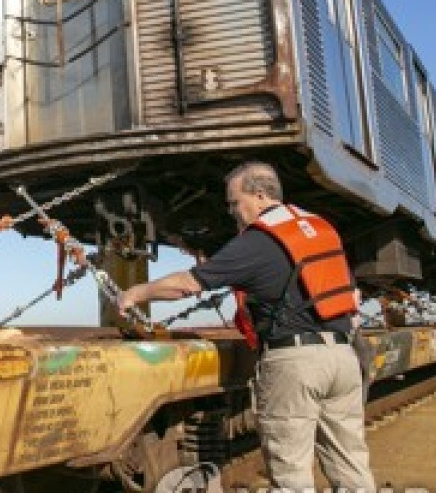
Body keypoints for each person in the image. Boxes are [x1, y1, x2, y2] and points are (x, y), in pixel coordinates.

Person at [118, 161, 376, 491]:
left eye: (234, 203)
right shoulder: (320, 229)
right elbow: (348, 294)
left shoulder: (259, 240)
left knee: (291, 473)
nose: (231, 212)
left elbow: (187, 284)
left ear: (259, 196)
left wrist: (135, 294)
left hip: (296, 364)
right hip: (343, 358)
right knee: (351, 463)